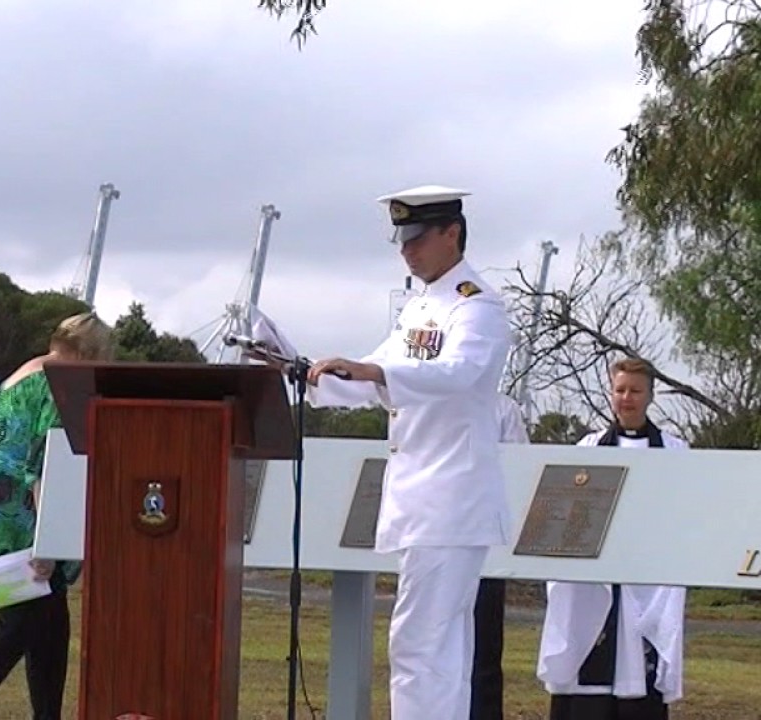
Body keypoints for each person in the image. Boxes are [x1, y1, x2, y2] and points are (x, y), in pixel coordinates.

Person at [294, 185, 512, 720]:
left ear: (451, 234)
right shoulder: (419, 307)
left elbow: (458, 374)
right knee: (437, 648)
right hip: (424, 502)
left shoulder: (477, 306)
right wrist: (309, 378)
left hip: (450, 500)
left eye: (417, 238)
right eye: (401, 239)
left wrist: (375, 371)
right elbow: (372, 378)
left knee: (421, 645)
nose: (405, 251)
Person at [0, 312, 114, 720]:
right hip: (23, 525)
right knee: (14, 630)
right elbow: (47, 463)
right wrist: (49, 541)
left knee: (49, 626)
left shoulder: (23, 376)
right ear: (88, 354)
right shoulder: (60, 386)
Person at [537, 357, 687, 720]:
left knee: (637, 675)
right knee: (589, 669)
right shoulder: (588, 449)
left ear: (650, 395)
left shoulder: (674, 451)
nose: (626, 398)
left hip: (646, 579)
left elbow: (682, 513)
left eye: (635, 391)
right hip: (595, 579)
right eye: (619, 390)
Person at [470, 392, 531, 720]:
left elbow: (519, 471)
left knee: (484, 654)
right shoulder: (426, 400)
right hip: (434, 544)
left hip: (485, 552)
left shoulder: (502, 409)